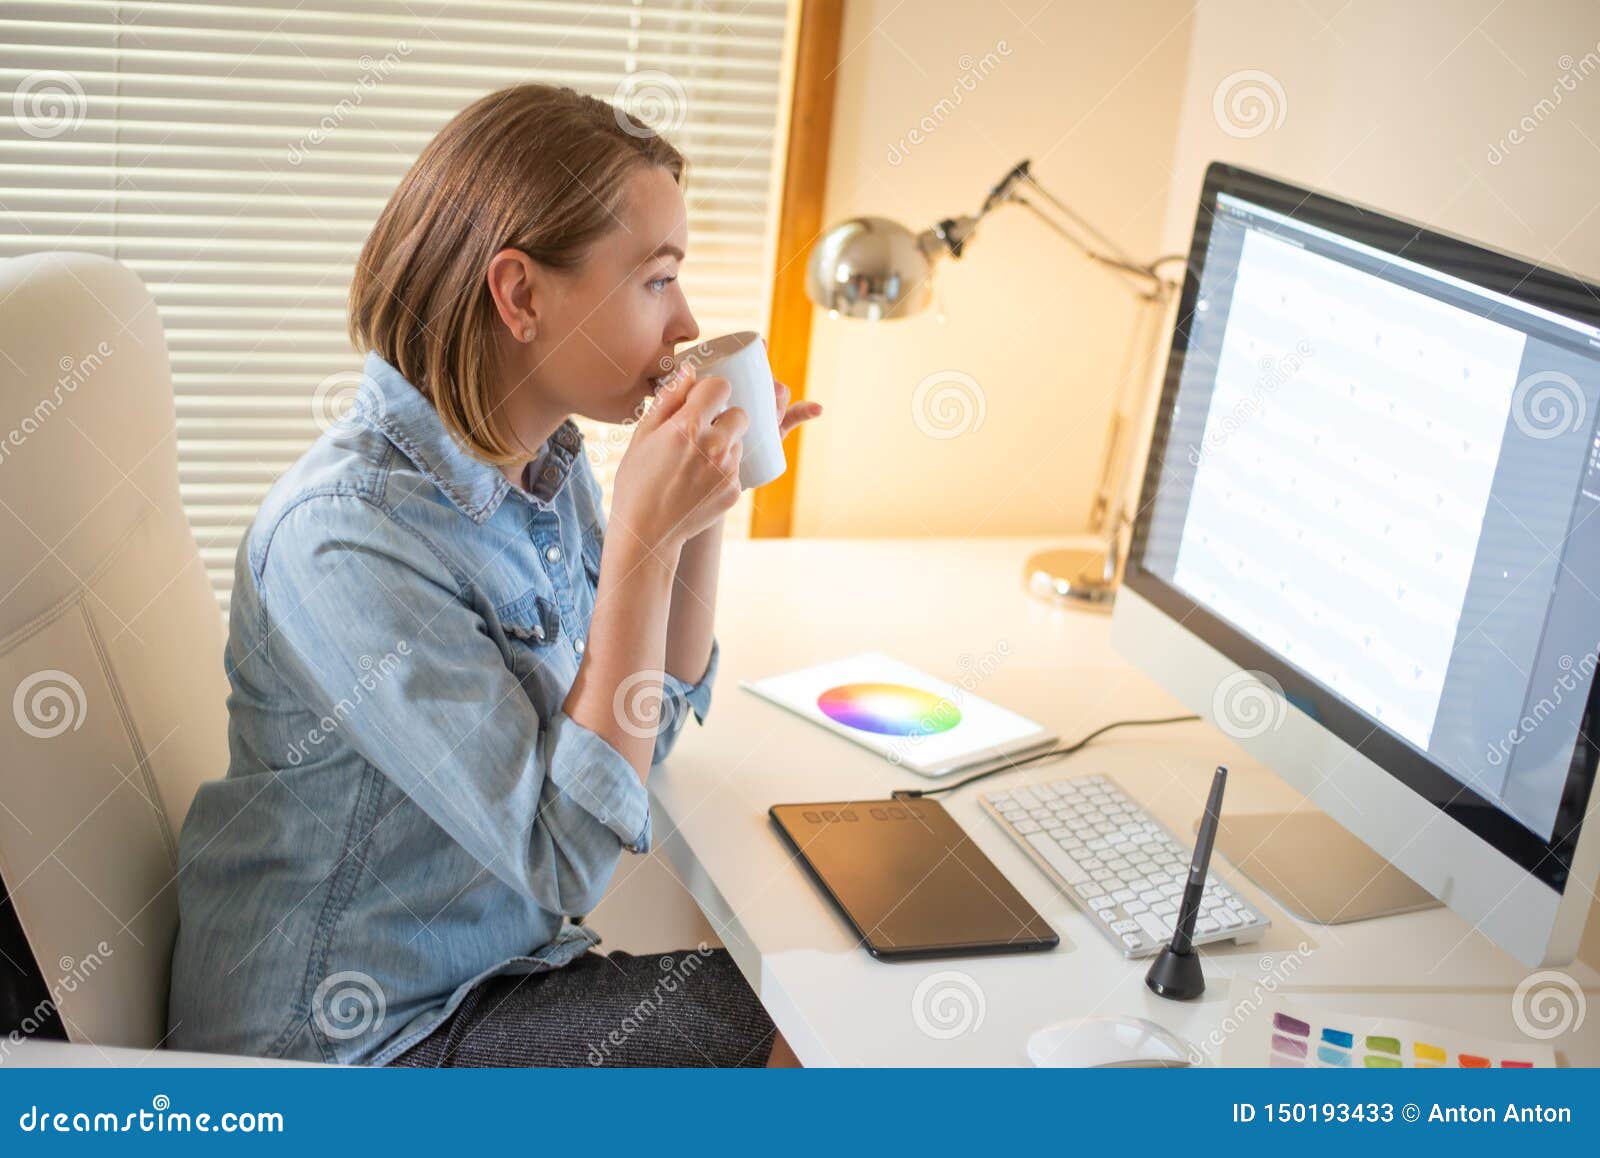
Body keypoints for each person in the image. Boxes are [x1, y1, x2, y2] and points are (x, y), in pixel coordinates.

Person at [166, 82, 821, 1068]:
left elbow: (655, 730)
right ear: (519, 294)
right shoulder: (345, 537)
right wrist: (644, 540)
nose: (686, 321)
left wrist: (704, 505)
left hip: (485, 977)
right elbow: (565, 859)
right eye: (656, 279)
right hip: (349, 1046)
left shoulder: (544, 467)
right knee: (804, 1026)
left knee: (816, 991)